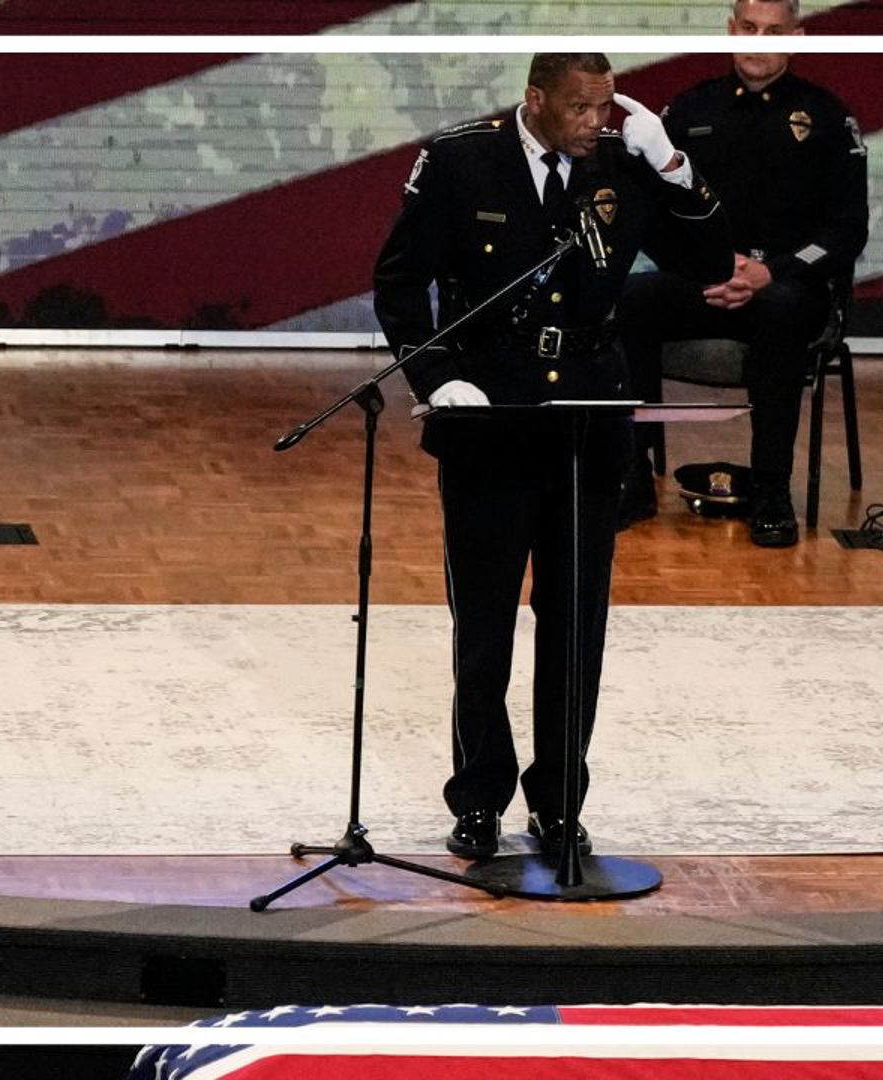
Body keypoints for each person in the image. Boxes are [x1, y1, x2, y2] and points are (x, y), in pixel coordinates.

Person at [374, 53, 731, 860]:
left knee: (576, 625)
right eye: (578, 108)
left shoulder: (625, 160)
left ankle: (560, 801)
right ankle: (479, 800)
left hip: (588, 420)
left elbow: (711, 265)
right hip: (490, 416)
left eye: (605, 108)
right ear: (534, 99)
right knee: (486, 626)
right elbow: (400, 284)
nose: (594, 124)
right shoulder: (463, 160)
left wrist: (671, 161)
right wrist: (437, 376)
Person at [618, 0, 870, 546]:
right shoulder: (687, 110)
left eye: (774, 31)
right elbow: (650, 215)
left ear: (797, 37)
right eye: (749, 28)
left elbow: (849, 230)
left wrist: (770, 272)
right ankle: (631, 476)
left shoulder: (827, 117)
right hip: (704, 280)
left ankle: (772, 492)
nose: (758, 41)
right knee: (633, 300)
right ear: (731, 31)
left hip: (789, 289)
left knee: (781, 311)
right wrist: (707, 267)